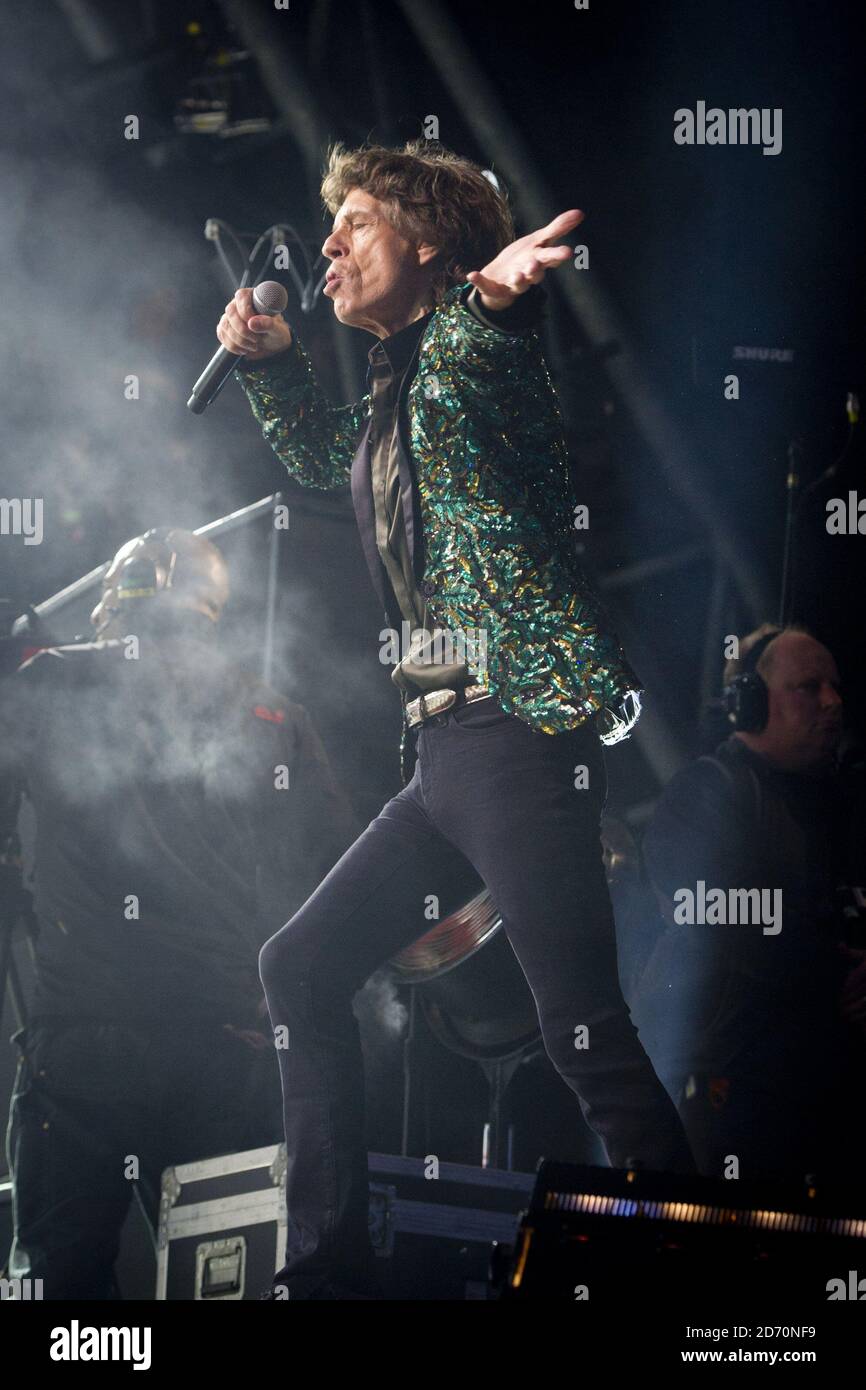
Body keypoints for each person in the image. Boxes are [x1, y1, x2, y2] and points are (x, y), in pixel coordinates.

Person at [218, 139, 695, 1301]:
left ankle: (692, 1261)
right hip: (440, 755)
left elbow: (480, 340)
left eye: (358, 227)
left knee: (580, 1025)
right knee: (299, 968)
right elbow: (332, 456)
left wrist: (490, 289)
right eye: (327, 233)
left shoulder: (476, 360)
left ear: (426, 245)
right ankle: (325, 1271)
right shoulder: (393, 390)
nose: (327, 247)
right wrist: (274, 368)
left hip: (513, 735)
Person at [1, 528, 359, 1299]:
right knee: (220, 1289)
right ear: (211, 607)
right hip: (223, 1053)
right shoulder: (274, 714)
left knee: (66, 1304)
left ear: (118, 597)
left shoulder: (47, 680)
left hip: (81, 1048)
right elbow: (341, 876)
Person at [635, 624, 866, 1183]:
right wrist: (834, 969)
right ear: (750, 705)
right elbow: (705, 909)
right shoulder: (709, 791)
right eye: (808, 688)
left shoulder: (844, 806)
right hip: (734, 1086)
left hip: (829, 1090)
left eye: (835, 687)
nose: (832, 701)